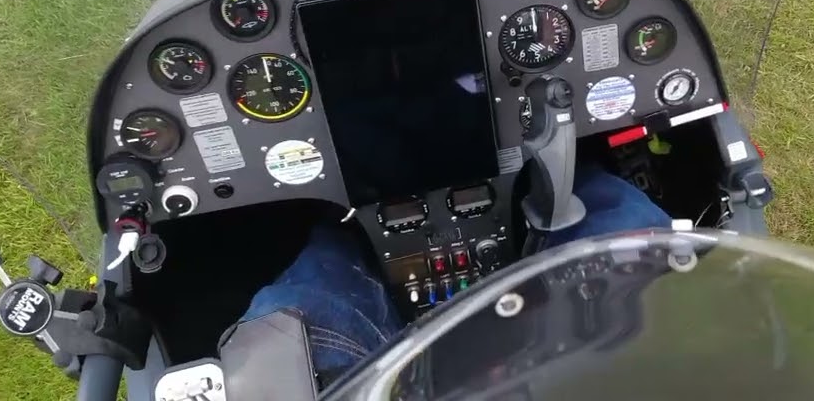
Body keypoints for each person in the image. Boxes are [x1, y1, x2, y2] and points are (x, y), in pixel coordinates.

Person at [237, 165, 671, 380]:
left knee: (298, 318)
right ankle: (570, 173)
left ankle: (345, 236)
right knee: (625, 231)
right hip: (550, 373)